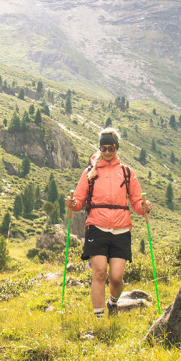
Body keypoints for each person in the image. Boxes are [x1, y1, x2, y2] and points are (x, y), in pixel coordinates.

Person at [65, 128, 153, 317]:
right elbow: (79, 201)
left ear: (116, 147)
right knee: (99, 273)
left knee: (116, 277)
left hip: (121, 229)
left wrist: (143, 207)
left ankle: (113, 302)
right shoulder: (90, 172)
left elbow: (136, 202)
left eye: (110, 147)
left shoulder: (127, 172)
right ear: (99, 148)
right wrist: (73, 204)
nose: (106, 152)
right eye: (103, 148)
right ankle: (99, 319)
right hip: (96, 227)